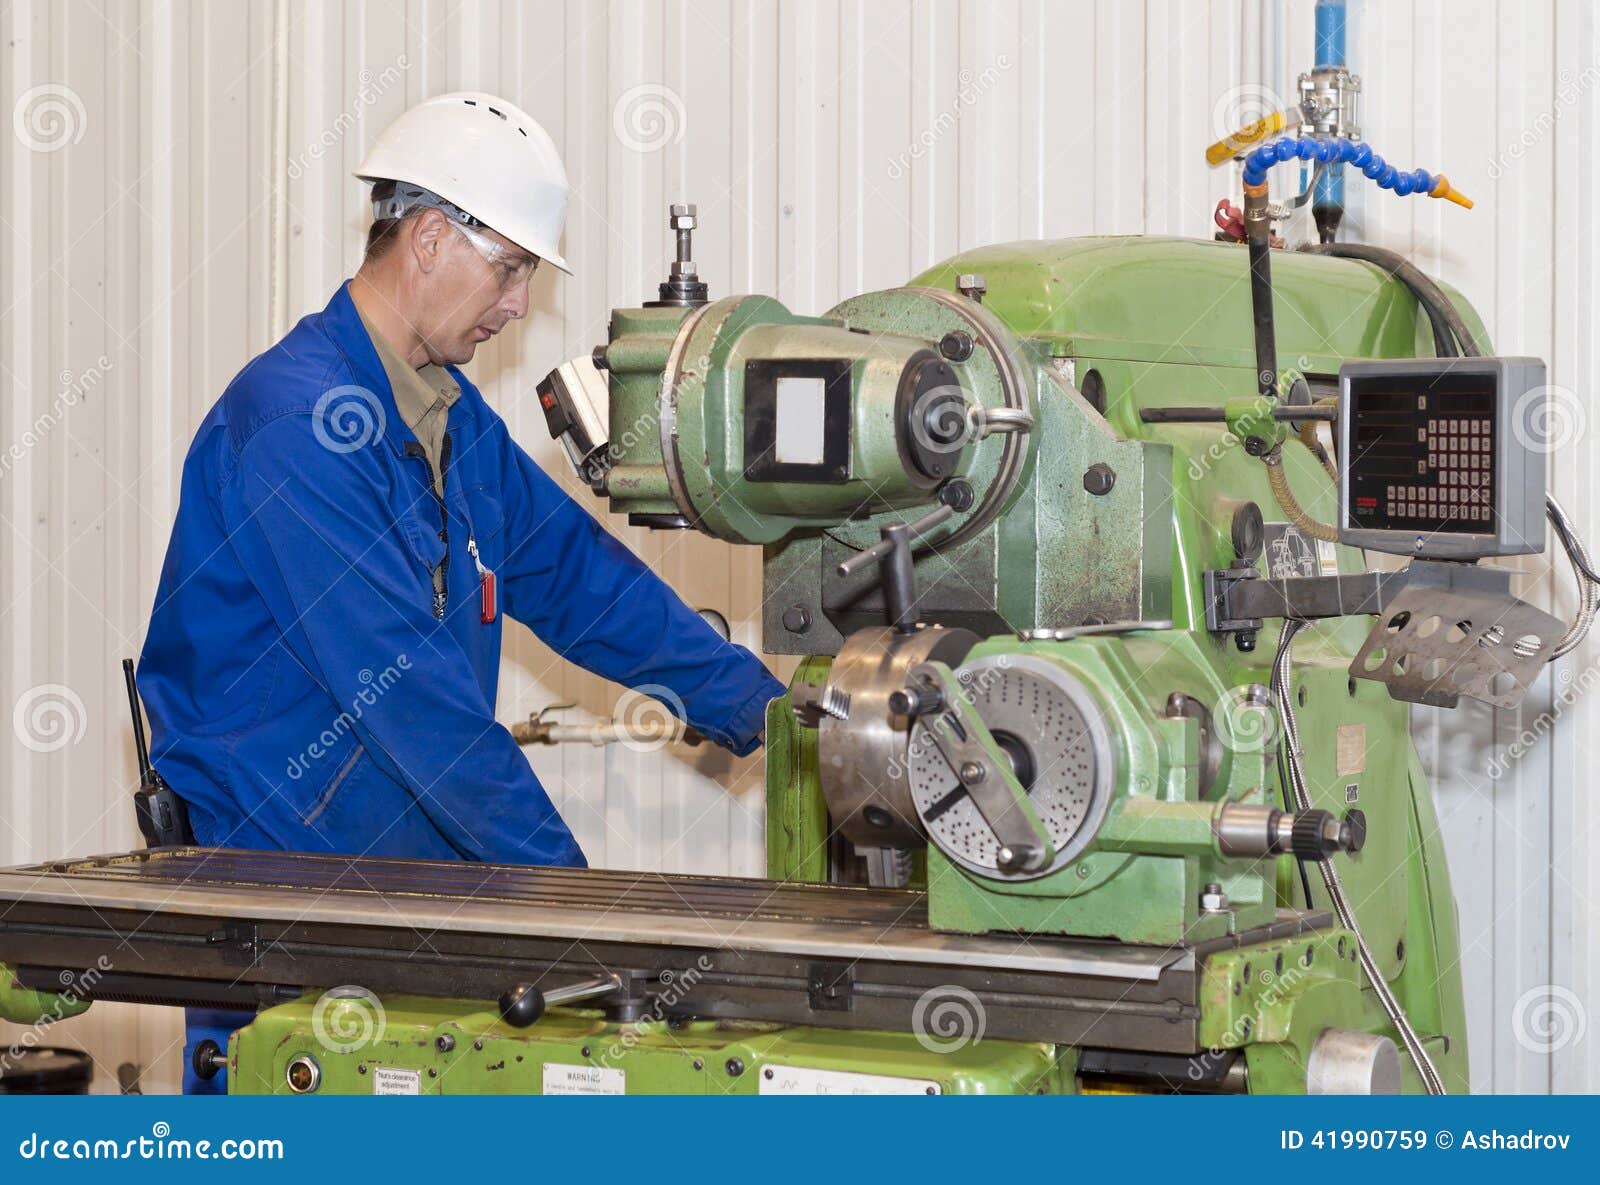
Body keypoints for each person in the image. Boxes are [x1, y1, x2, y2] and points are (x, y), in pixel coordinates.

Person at [137, 92, 785, 1092]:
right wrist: (570, 909)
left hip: (408, 888)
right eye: (513, 267)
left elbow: (578, 581)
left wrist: (767, 711)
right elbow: (414, 703)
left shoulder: (448, 416)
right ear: (431, 237)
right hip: (286, 906)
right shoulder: (296, 426)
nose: (520, 303)